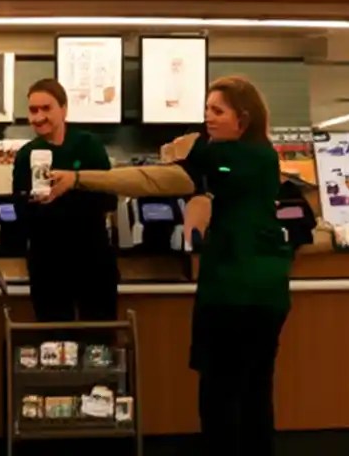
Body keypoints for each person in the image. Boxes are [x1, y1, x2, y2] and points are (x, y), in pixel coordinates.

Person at [45, 76, 292, 455]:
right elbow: (211, 192)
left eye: (217, 111)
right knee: (257, 392)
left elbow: (156, 181)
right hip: (269, 293)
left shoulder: (222, 156)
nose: (207, 117)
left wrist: (79, 178)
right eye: (207, 108)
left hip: (231, 292)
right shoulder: (265, 155)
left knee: (219, 396)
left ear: (241, 119)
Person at [12, 78, 119, 322]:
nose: (39, 117)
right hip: (47, 264)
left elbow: (108, 198)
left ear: (64, 109)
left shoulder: (89, 145)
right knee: (54, 341)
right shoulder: (26, 155)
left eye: (46, 108)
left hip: (92, 260)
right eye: (33, 110)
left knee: (98, 340)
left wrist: (71, 185)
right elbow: (20, 209)